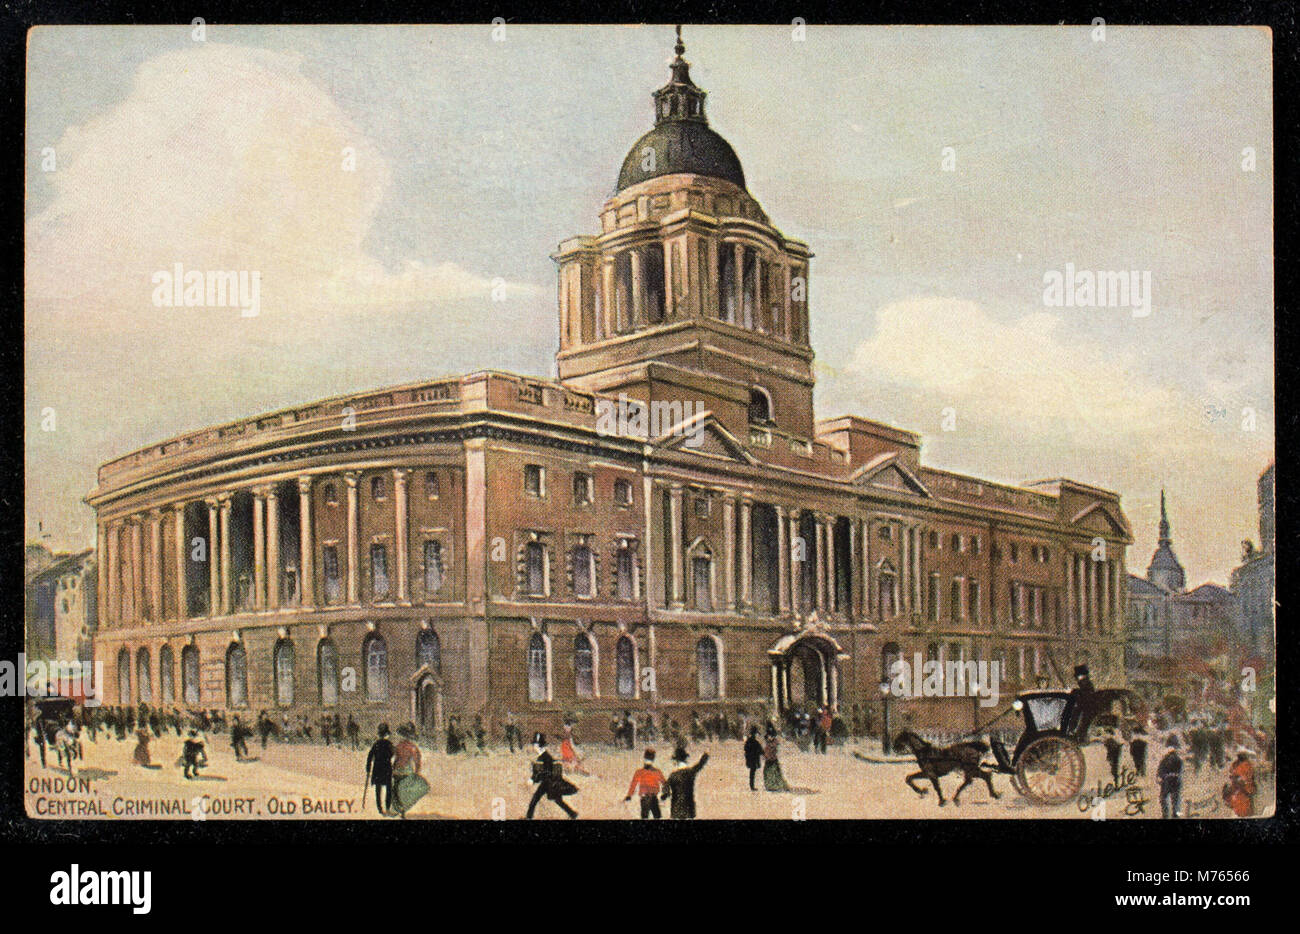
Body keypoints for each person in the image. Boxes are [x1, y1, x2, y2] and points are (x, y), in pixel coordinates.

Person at [526, 733, 578, 819]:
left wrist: (533, 779)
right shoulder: (542, 755)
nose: (535, 746)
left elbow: (546, 771)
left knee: (538, 799)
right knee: (551, 800)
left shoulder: (545, 756)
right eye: (535, 744)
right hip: (548, 781)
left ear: (540, 746)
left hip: (549, 782)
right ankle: (572, 814)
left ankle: (529, 817)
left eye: (536, 744)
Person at [391, 723, 428, 819]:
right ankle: (401, 810)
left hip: (397, 770)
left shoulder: (398, 746)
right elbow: (417, 761)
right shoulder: (412, 747)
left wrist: (392, 769)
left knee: (397, 790)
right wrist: (417, 772)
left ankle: (399, 809)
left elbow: (394, 758)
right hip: (406, 770)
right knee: (405, 791)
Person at [663, 746, 709, 819]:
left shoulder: (673, 776)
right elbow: (700, 764)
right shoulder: (691, 772)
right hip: (689, 809)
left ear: (676, 761)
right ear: (685, 759)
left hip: (676, 809)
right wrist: (706, 754)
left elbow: (666, 789)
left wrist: (665, 795)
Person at [624, 748, 666, 819]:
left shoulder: (639, 772)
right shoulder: (657, 772)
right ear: (653, 759)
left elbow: (633, 785)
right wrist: (665, 793)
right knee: (657, 816)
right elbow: (665, 783)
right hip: (653, 797)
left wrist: (629, 795)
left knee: (645, 817)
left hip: (645, 797)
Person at [365, 723, 395, 815]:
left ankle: (380, 809)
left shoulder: (376, 744)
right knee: (388, 788)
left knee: (378, 789)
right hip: (386, 768)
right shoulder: (389, 744)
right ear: (386, 734)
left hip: (377, 768)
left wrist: (368, 768)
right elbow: (392, 754)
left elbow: (370, 756)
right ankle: (387, 808)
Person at [1225, 749, 1257, 818]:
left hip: (1243, 791)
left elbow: (1248, 778)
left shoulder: (1245, 765)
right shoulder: (1237, 764)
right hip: (1241, 791)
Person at [1156, 736, 1183, 819]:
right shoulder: (1178, 759)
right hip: (1175, 781)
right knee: (1176, 800)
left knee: (1163, 798)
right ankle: (1176, 815)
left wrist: (1160, 778)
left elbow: (1160, 771)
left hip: (1167, 782)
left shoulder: (1165, 759)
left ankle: (1165, 815)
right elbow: (1180, 771)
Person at [743, 726, 764, 791]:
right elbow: (760, 750)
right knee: (752, 772)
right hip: (754, 759)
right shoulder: (755, 742)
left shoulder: (748, 741)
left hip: (750, 758)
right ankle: (752, 786)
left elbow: (745, 749)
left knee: (752, 772)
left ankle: (751, 785)